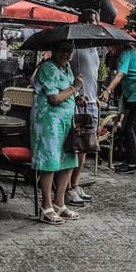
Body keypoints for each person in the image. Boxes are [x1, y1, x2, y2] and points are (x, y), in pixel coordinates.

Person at [32, 40, 82, 225]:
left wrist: (76, 95)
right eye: (62, 50)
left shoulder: (67, 68)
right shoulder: (47, 68)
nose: (66, 54)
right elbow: (54, 98)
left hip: (65, 122)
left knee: (68, 159)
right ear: (53, 50)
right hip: (48, 122)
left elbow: (67, 93)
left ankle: (59, 202)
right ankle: (46, 207)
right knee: (50, 162)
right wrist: (74, 88)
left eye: (69, 51)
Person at [99, 38, 136, 174]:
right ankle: (130, 160)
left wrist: (108, 90)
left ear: (118, 45)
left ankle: (131, 163)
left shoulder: (126, 53)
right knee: (130, 127)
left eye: (110, 47)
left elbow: (120, 75)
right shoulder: (126, 54)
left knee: (128, 127)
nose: (109, 50)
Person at [67, 11, 101, 206]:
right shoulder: (75, 47)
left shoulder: (95, 48)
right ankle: (68, 187)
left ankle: (76, 183)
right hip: (78, 102)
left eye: (93, 21)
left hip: (91, 103)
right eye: (86, 21)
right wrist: (75, 93)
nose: (89, 24)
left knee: (85, 146)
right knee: (76, 146)